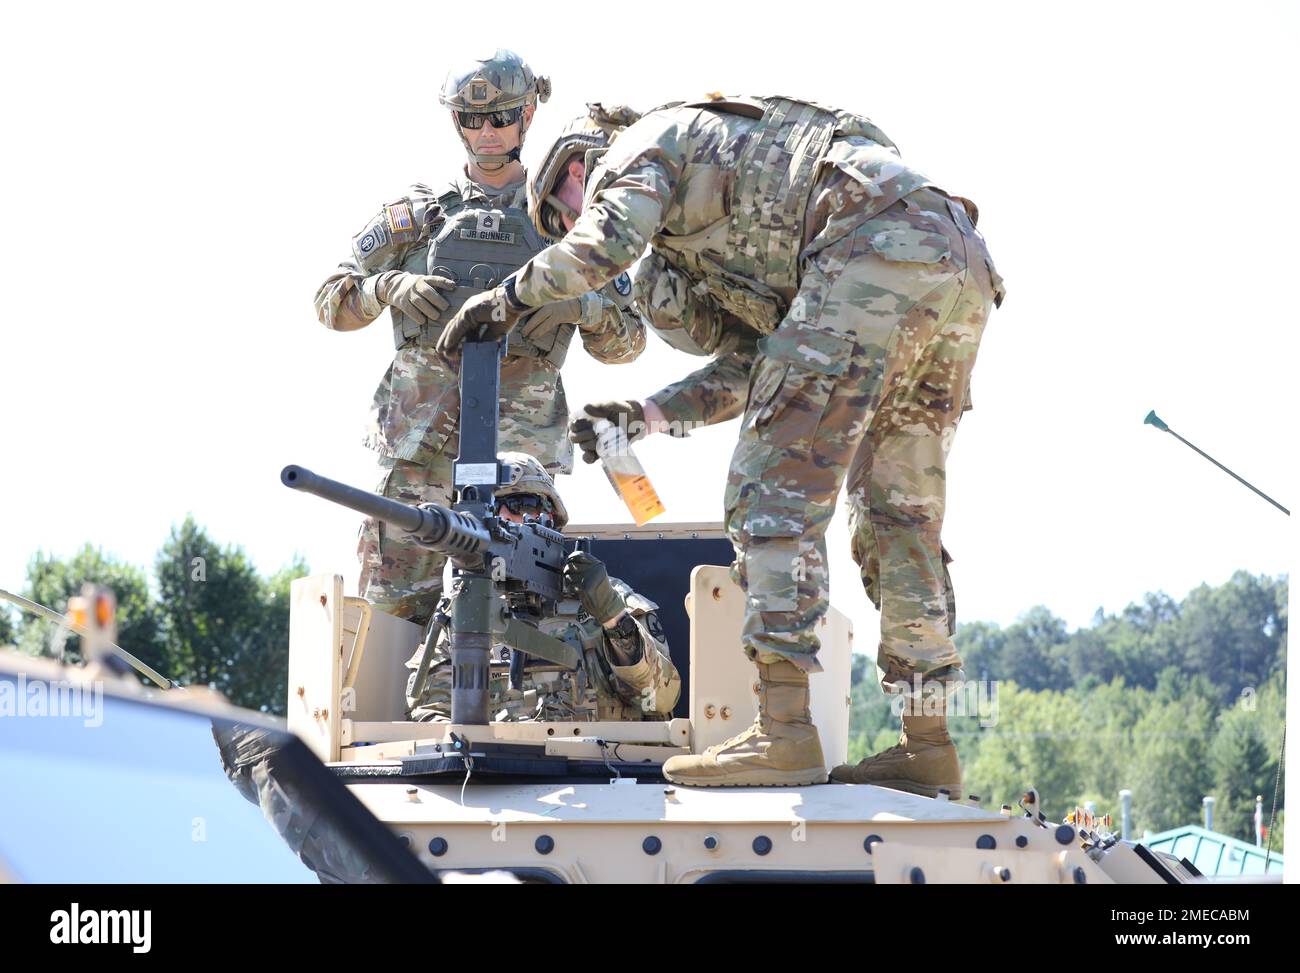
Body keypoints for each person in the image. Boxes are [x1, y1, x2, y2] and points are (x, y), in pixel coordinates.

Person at [438, 94, 1005, 792]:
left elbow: (602, 247)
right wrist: (645, 415)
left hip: (867, 245)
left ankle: (785, 732)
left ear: (588, 150)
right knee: (900, 520)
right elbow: (765, 365)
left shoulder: (641, 142)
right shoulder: (711, 232)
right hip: (947, 256)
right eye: (553, 221)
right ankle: (928, 744)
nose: (567, 219)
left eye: (562, 194)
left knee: (769, 492)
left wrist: (506, 298)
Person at [313, 51, 644, 627]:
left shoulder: (571, 225)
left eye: (500, 117)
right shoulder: (417, 217)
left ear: (529, 115)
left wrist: (581, 304)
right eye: (471, 119)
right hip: (419, 453)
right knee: (391, 618)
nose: (485, 131)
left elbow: (629, 341)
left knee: (519, 615)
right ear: (455, 122)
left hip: (518, 467)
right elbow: (331, 300)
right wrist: (387, 288)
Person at [403, 452, 680, 722]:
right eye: (489, 508)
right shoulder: (464, 606)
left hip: (599, 764)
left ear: (550, 518)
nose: (503, 517)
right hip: (495, 765)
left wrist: (613, 618)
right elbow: (430, 710)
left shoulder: (608, 599)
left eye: (520, 504)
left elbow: (661, 699)